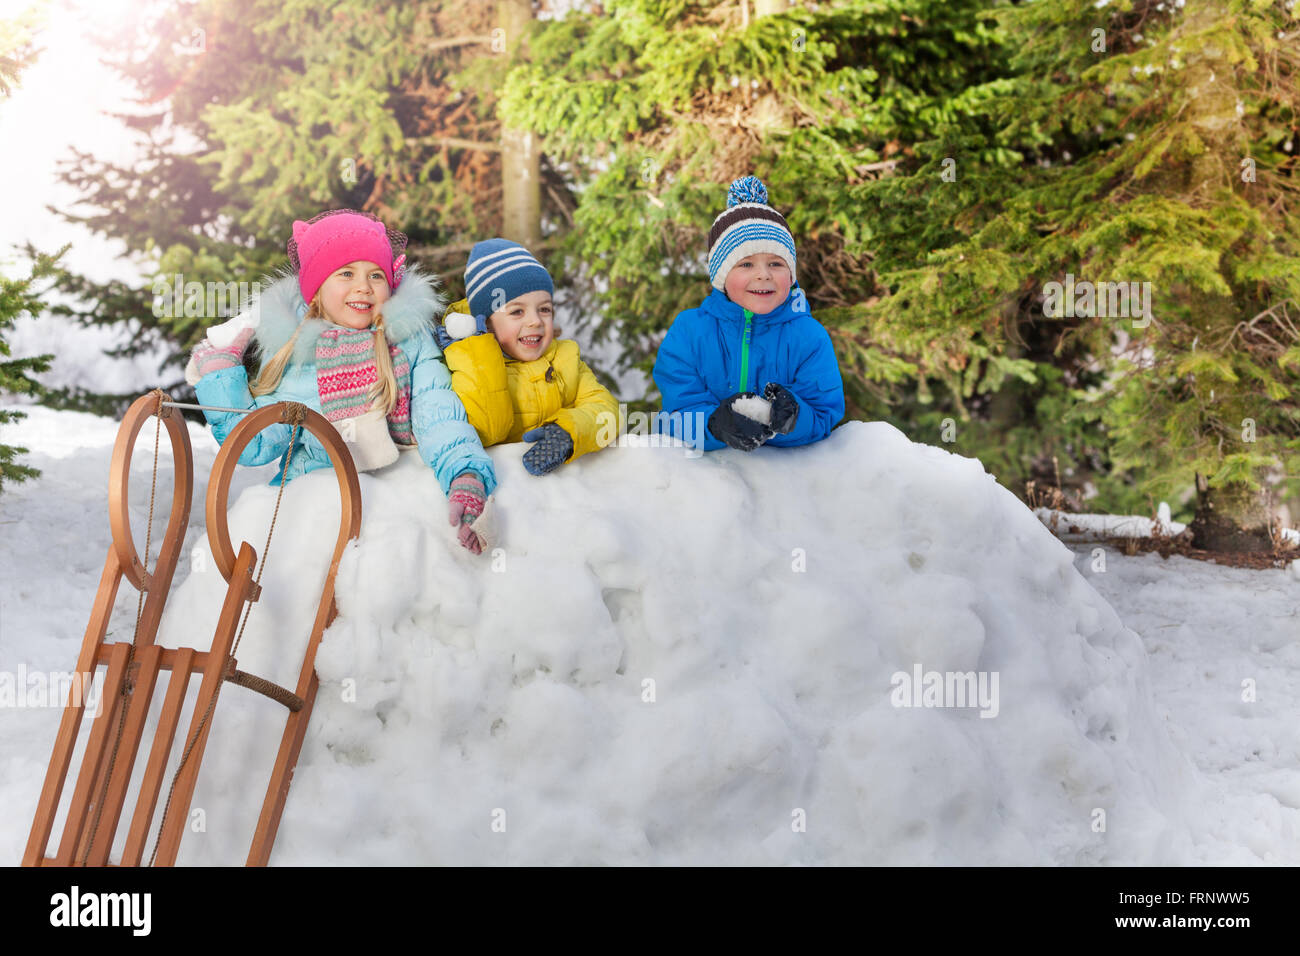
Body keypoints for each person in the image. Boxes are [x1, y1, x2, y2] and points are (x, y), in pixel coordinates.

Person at [185, 208, 496, 554]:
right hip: (319, 499)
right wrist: (221, 374)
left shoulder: (409, 343)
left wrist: (465, 474)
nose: (363, 286)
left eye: (376, 275)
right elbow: (252, 444)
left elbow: (439, 416)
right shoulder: (300, 358)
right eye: (346, 273)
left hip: (398, 490)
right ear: (316, 290)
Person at [652, 176, 845, 452]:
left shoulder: (809, 337)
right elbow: (675, 416)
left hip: (785, 478)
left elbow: (823, 415)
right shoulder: (689, 332)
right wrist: (714, 424)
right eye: (746, 264)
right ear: (721, 276)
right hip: (709, 478)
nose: (763, 275)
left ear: (791, 276)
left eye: (776, 263)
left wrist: (794, 418)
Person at [434, 238, 619, 476]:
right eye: (517, 311)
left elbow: (607, 411)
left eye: (544, 309)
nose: (535, 321)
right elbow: (486, 431)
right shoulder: (465, 361)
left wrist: (568, 430)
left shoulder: (564, 358)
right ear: (486, 322)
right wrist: (477, 350)